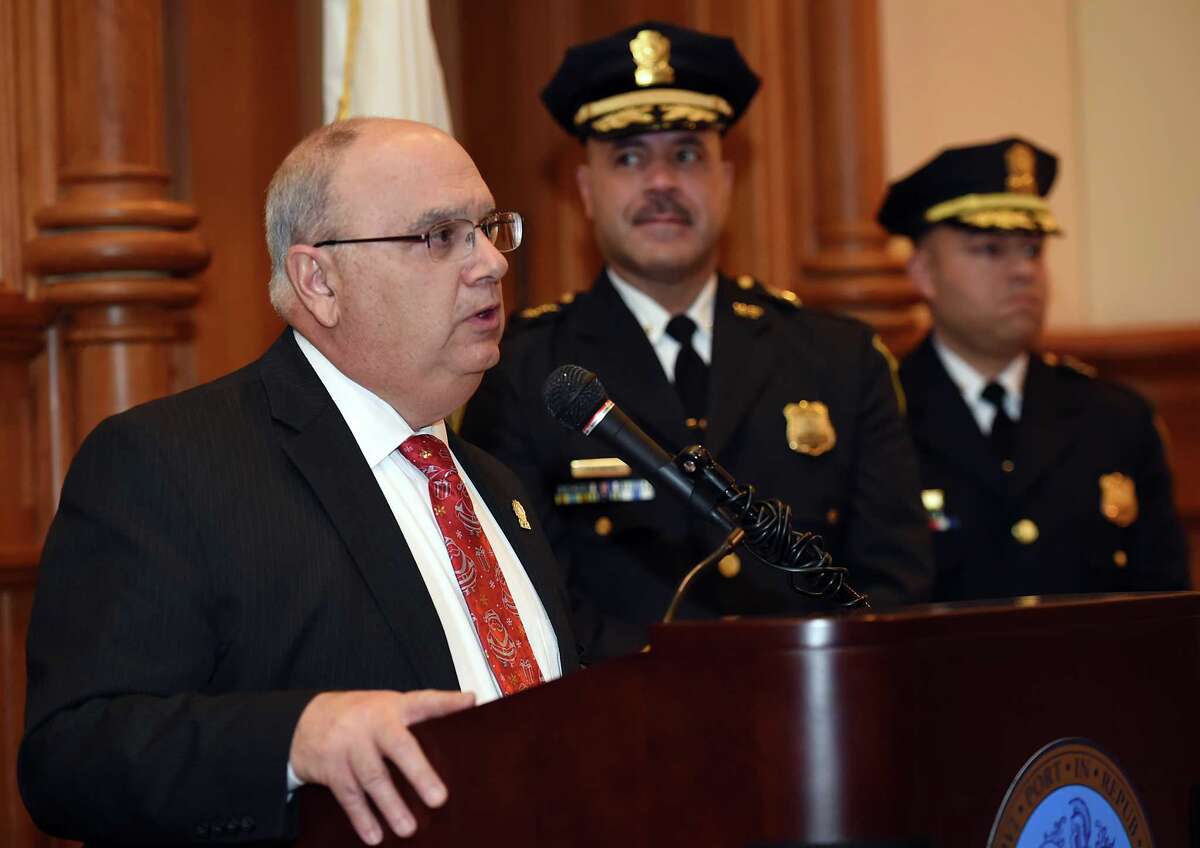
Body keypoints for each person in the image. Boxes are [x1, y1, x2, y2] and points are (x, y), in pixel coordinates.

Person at [19, 118, 578, 846]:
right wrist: (294, 737)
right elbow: (71, 756)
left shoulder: (497, 488)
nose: (491, 265)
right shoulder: (169, 464)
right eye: (440, 236)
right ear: (319, 281)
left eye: (489, 227)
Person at [461, 21, 933, 661]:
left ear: (727, 180)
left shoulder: (840, 360)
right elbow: (530, 599)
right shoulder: (521, 368)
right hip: (614, 725)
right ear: (585, 191)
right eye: (628, 157)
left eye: (686, 154)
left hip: (816, 719)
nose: (661, 182)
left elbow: (893, 582)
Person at [878, 136, 1190, 600]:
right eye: (989, 249)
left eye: (1032, 251)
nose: (1023, 271)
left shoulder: (1115, 420)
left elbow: (1168, 612)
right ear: (923, 273)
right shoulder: (882, 416)